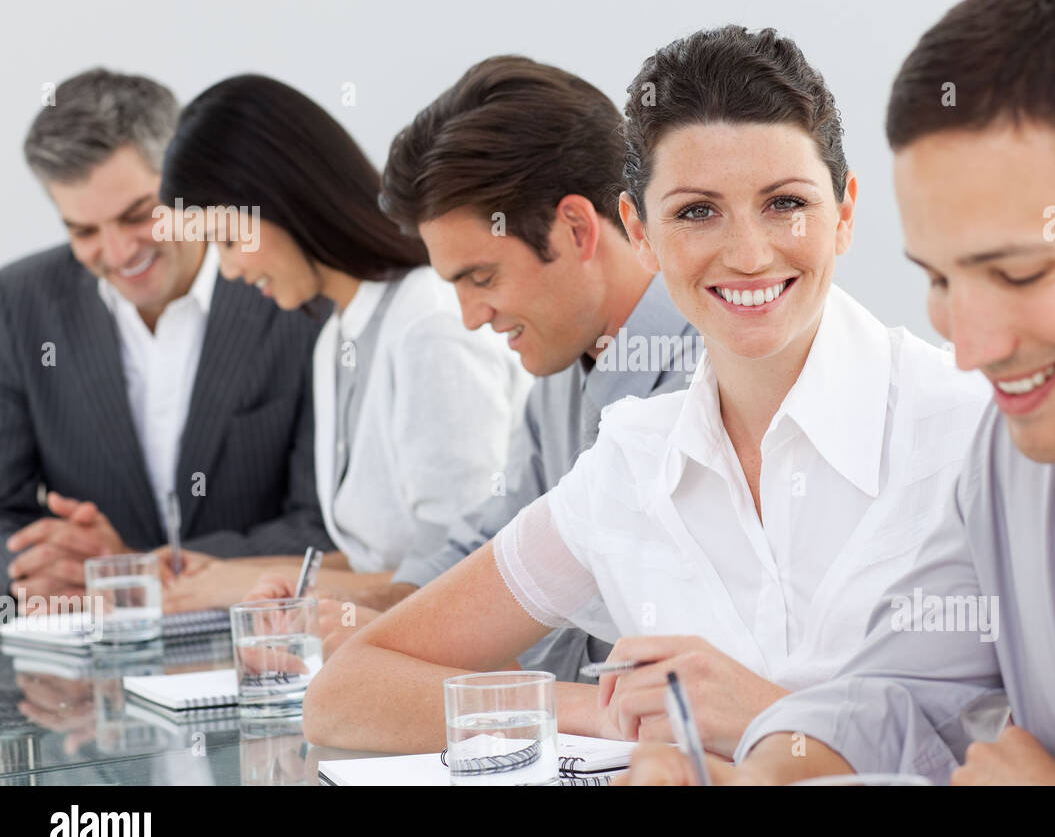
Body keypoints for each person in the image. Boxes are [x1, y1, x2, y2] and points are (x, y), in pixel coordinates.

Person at [624, 0, 1055, 787]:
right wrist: (756, 777)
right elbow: (898, 692)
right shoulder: (1014, 452)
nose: (971, 350)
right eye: (941, 281)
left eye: (1017, 273)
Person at [302, 27, 989, 756]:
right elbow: (345, 695)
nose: (750, 253)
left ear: (845, 213)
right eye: (697, 211)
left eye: (786, 202)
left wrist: (765, 717)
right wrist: (616, 713)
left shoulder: (972, 429)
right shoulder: (631, 460)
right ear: (642, 231)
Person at [244, 55, 698, 679]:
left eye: (481, 277)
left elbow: (628, 626)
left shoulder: (709, 375)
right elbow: (487, 542)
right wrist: (361, 610)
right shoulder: (563, 374)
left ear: (573, 229)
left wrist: (408, 638)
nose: (470, 317)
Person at [154, 74, 530, 611]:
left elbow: (458, 574)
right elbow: (371, 561)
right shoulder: (337, 333)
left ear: (285, 200)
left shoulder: (428, 322)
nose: (230, 269)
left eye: (230, 240)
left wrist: (236, 587)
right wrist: (221, 572)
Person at [0, 69, 329, 606]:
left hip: (262, 641)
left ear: (187, 180)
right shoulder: (18, 303)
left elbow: (324, 527)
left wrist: (141, 570)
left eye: (138, 215)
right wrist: (55, 564)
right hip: (93, 657)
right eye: (82, 231)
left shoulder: (292, 292)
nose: (118, 252)